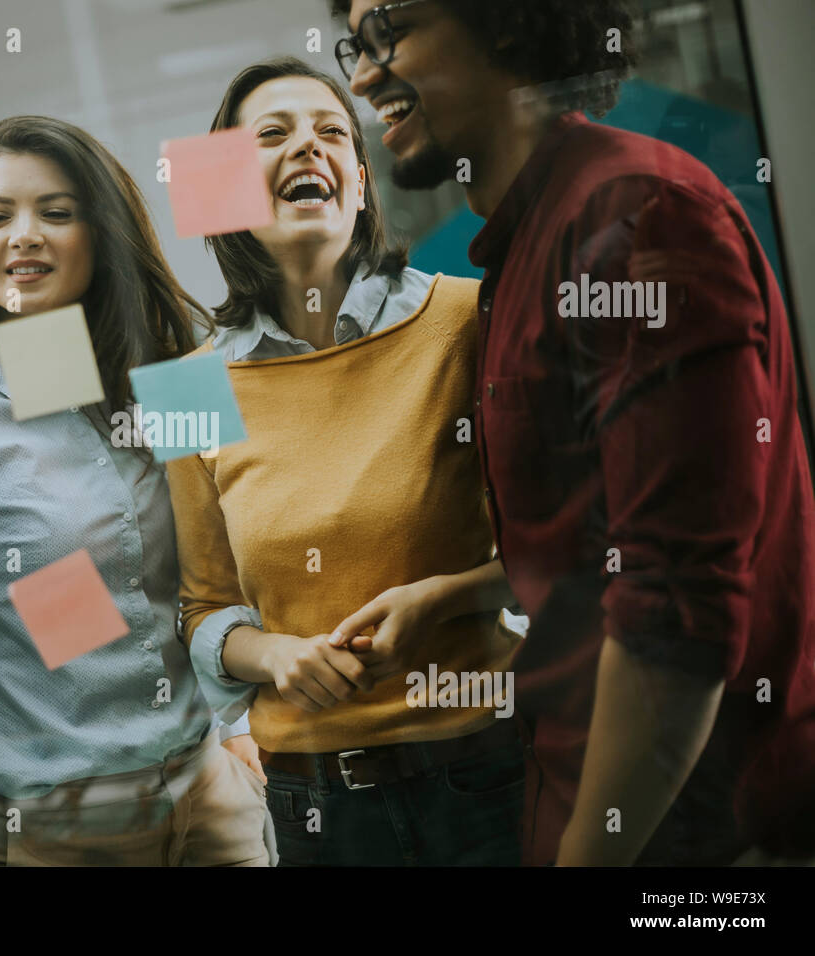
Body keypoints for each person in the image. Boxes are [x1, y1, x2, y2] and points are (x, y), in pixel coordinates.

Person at [333, 0, 815, 863]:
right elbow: (597, 543)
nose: (366, 75)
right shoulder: (521, 244)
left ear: (506, 22)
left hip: (693, 837)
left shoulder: (632, 215)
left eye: (390, 34)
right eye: (355, 47)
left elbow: (674, 618)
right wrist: (453, 595)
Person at [0, 116, 269, 867]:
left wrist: (235, 725)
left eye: (55, 211)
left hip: (210, 793)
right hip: (52, 830)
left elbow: (230, 579)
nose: (23, 235)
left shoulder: (178, 382)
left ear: (103, 235)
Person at [167, 56, 524, 867]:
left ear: (359, 187)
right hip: (315, 805)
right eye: (272, 135)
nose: (307, 147)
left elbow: (558, 552)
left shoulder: (470, 318)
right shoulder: (183, 388)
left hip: (486, 771)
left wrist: (444, 599)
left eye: (332, 132)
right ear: (223, 188)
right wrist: (275, 656)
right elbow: (201, 610)